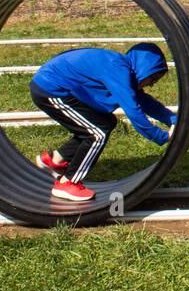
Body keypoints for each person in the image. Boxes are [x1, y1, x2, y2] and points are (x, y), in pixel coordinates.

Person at [29, 42, 177, 201]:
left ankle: (55, 160)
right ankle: (68, 183)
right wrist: (161, 136)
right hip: (50, 89)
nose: (151, 84)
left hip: (56, 86)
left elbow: (144, 101)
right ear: (143, 67)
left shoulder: (123, 68)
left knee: (104, 123)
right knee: (96, 134)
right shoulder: (118, 70)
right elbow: (133, 110)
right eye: (152, 78)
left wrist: (174, 120)